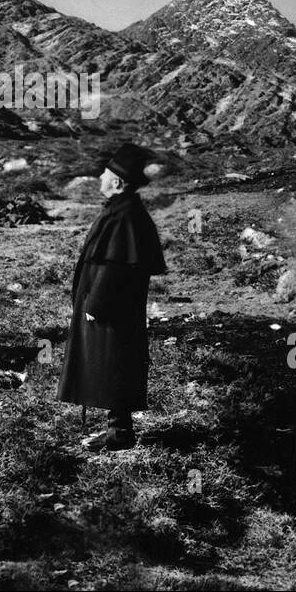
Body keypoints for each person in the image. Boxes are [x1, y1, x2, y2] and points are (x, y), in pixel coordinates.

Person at [57, 142, 167, 452]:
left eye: (105, 175)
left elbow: (115, 266)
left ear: (117, 182)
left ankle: (119, 432)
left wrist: (97, 304)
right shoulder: (123, 211)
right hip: (113, 307)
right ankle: (118, 429)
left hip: (110, 307)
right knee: (114, 362)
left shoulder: (126, 215)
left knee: (114, 363)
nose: (100, 179)